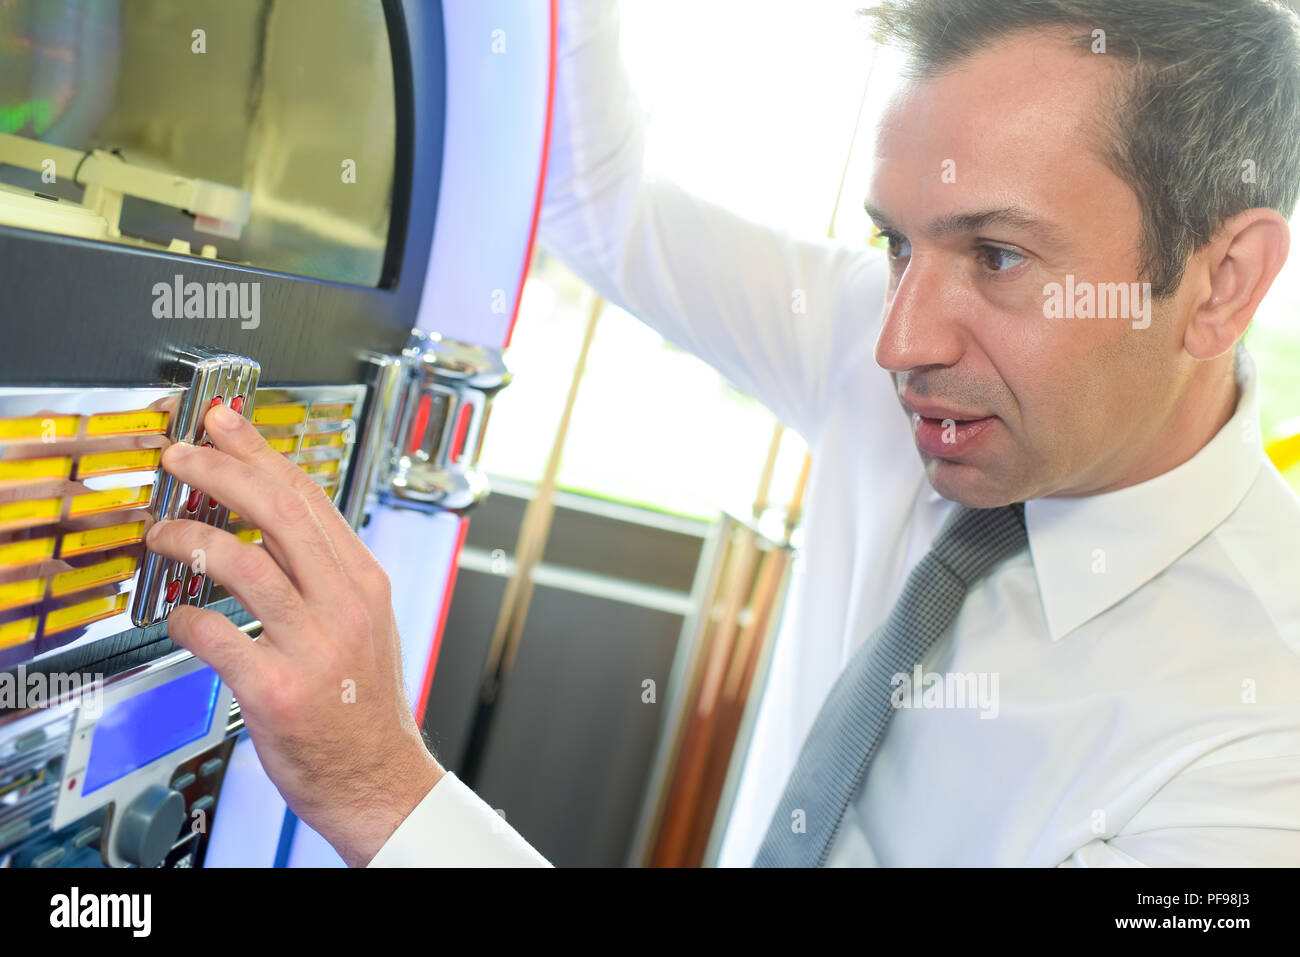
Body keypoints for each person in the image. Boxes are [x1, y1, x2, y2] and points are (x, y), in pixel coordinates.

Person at [147, 0, 1300, 867]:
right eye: (896, 246)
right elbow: (608, 217)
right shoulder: (918, 351)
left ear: (1221, 282)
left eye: (997, 255)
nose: (897, 341)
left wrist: (380, 793)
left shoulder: (1260, 752)